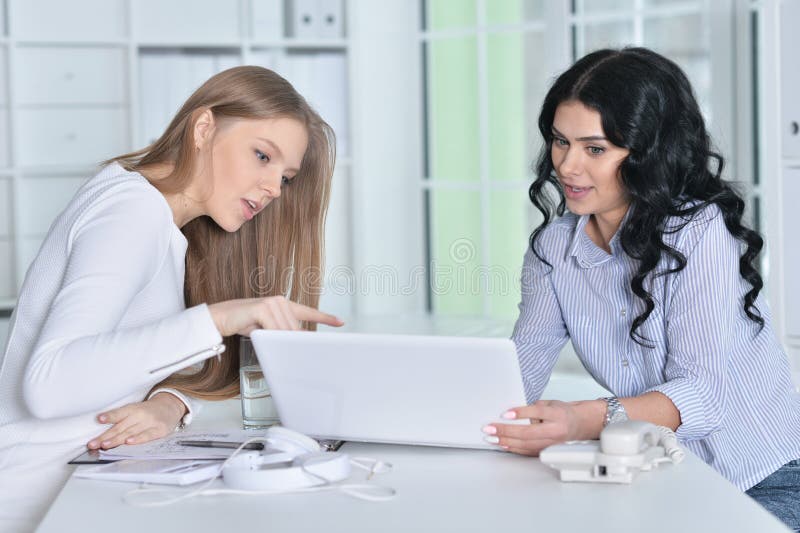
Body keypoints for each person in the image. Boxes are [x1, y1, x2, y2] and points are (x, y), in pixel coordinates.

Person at [0, 66, 343, 532]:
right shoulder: (131, 211)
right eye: (262, 156)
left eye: (284, 177)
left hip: (89, 487)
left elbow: (127, 353)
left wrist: (170, 402)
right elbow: (49, 383)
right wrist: (218, 319)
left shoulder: (164, 224)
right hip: (38, 505)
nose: (272, 188)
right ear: (203, 128)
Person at [482, 48, 800, 531]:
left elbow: (703, 396)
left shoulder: (699, 230)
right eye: (560, 141)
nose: (567, 167)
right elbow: (520, 369)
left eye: (595, 149)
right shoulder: (553, 248)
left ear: (648, 152)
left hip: (765, 478)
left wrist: (582, 419)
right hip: (662, 475)